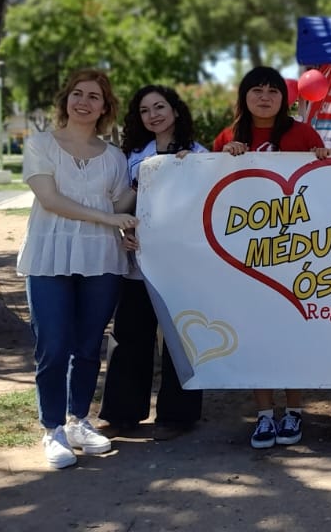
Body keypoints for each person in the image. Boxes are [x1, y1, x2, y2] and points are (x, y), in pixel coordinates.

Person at [18, 69, 137, 469]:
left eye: (94, 97)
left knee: (88, 346)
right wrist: (107, 220)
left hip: (101, 258)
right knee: (52, 344)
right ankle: (51, 428)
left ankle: (77, 420)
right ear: (66, 99)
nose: (84, 102)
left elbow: (121, 205)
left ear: (105, 108)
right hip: (49, 255)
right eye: (77, 94)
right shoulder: (40, 145)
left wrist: (165, 172)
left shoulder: (114, 157)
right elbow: (50, 200)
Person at [215, 66, 331, 448]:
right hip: (244, 254)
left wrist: (322, 158)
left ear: (286, 98)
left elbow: (327, 185)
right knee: (256, 336)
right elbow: (205, 188)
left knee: (292, 333)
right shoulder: (227, 137)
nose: (264, 97)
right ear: (244, 96)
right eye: (256, 90)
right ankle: (265, 415)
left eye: (272, 91)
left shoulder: (302, 133)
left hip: (296, 252)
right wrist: (225, 159)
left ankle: (294, 411)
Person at [99, 85, 207, 440]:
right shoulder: (130, 157)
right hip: (138, 262)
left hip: (185, 265)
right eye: (145, 110)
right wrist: (122, 236)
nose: (153, 115)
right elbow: (118, 210)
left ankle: (178, 417)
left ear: (175, 110)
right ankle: (122, 414)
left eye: (160, 106)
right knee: (130, 336)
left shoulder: (199, 155)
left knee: (182, 338)